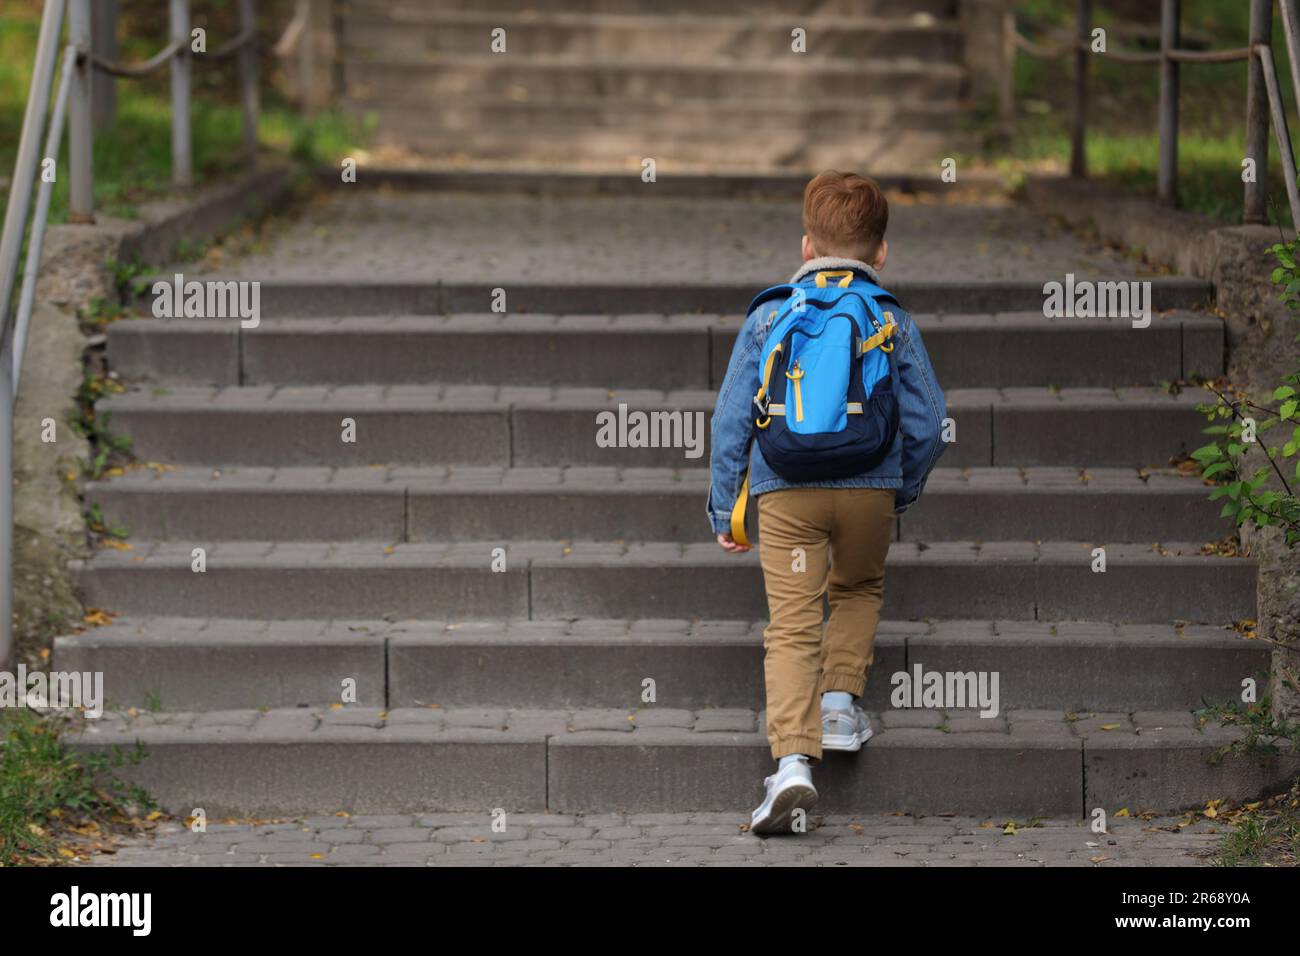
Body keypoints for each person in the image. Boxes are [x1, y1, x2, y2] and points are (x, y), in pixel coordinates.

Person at [706, 171, 947, 835]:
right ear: (882, 254)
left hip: (787, 489)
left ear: (807, 245)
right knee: (860, 587)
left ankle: (790, 766)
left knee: (791, 623)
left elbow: (731, 419)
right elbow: (929, 421)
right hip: (870, 486)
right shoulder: (891, 316)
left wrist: (727, 505)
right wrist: (901, 486)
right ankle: (840, 704)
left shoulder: (769, 314)